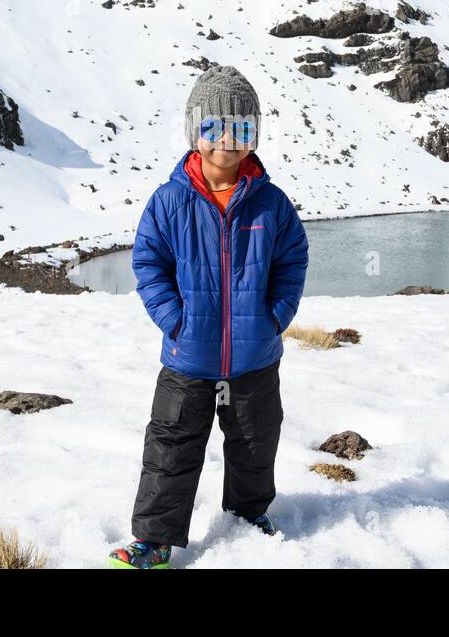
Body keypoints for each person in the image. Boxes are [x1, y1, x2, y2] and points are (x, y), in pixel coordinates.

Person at [108, 65, 309, 569]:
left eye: (242, 128)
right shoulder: (170, 201)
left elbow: (292, 261)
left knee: (255, 442)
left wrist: (274, 316)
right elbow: (148, 263)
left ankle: (248, 516)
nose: (228, 140)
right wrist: (173, 319)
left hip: (255, 356)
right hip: (186, 354)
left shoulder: (272, 203)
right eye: (214, 126)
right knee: (170, 448)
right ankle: (154, 540)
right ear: (194, 132)